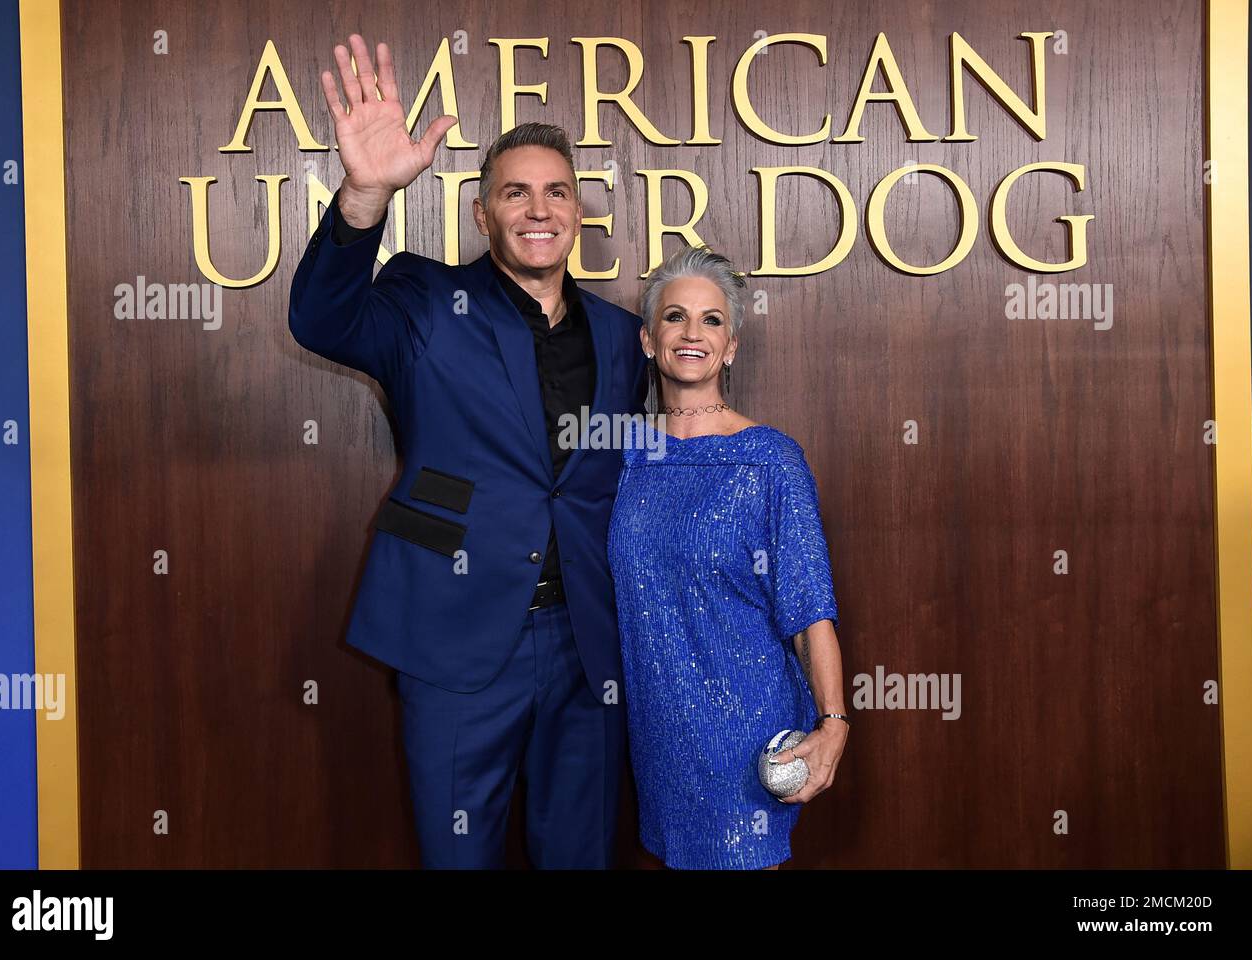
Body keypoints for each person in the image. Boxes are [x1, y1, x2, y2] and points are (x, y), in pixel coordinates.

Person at [289, 34, 646, 868]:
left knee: (580, 857)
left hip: (587, 645)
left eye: (557, 193)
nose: (538, 209)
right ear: (483, 214)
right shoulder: (422, 301)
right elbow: (321, 320)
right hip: (455, 638)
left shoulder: (625, 338)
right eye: (514, 193)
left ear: (579, 214)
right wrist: (364, 196)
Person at [606, 245, 849, 870]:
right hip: (658, 731)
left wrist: (834, 722)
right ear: (646, 339)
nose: (692, 334)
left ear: (731, 346)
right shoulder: (623, 456)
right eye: (675, 317)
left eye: (712, 320)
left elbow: (809, 606)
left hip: (747, 728)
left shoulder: (770, 460)